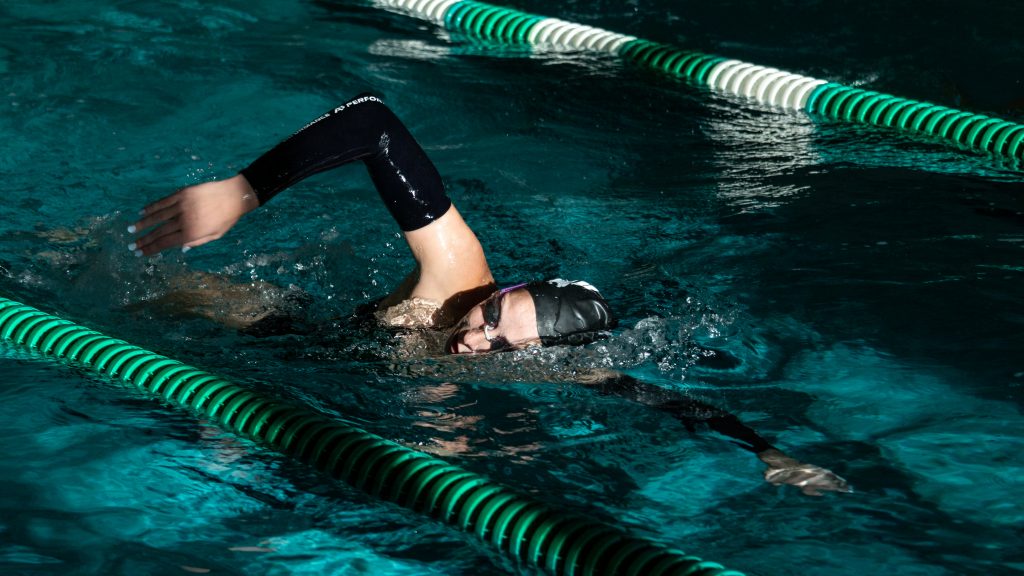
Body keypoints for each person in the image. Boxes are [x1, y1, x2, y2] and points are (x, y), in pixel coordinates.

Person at [129, 93, 850, 495]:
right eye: (493, 314)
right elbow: (373, 122)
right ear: (502, 287)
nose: (475, 338)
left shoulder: (558, 369)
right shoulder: (457, 276)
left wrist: (768, 452)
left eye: (503, 347)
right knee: (126, 280)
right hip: (281, 333)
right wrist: (245, 191)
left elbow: (678, 405)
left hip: (322, 409)